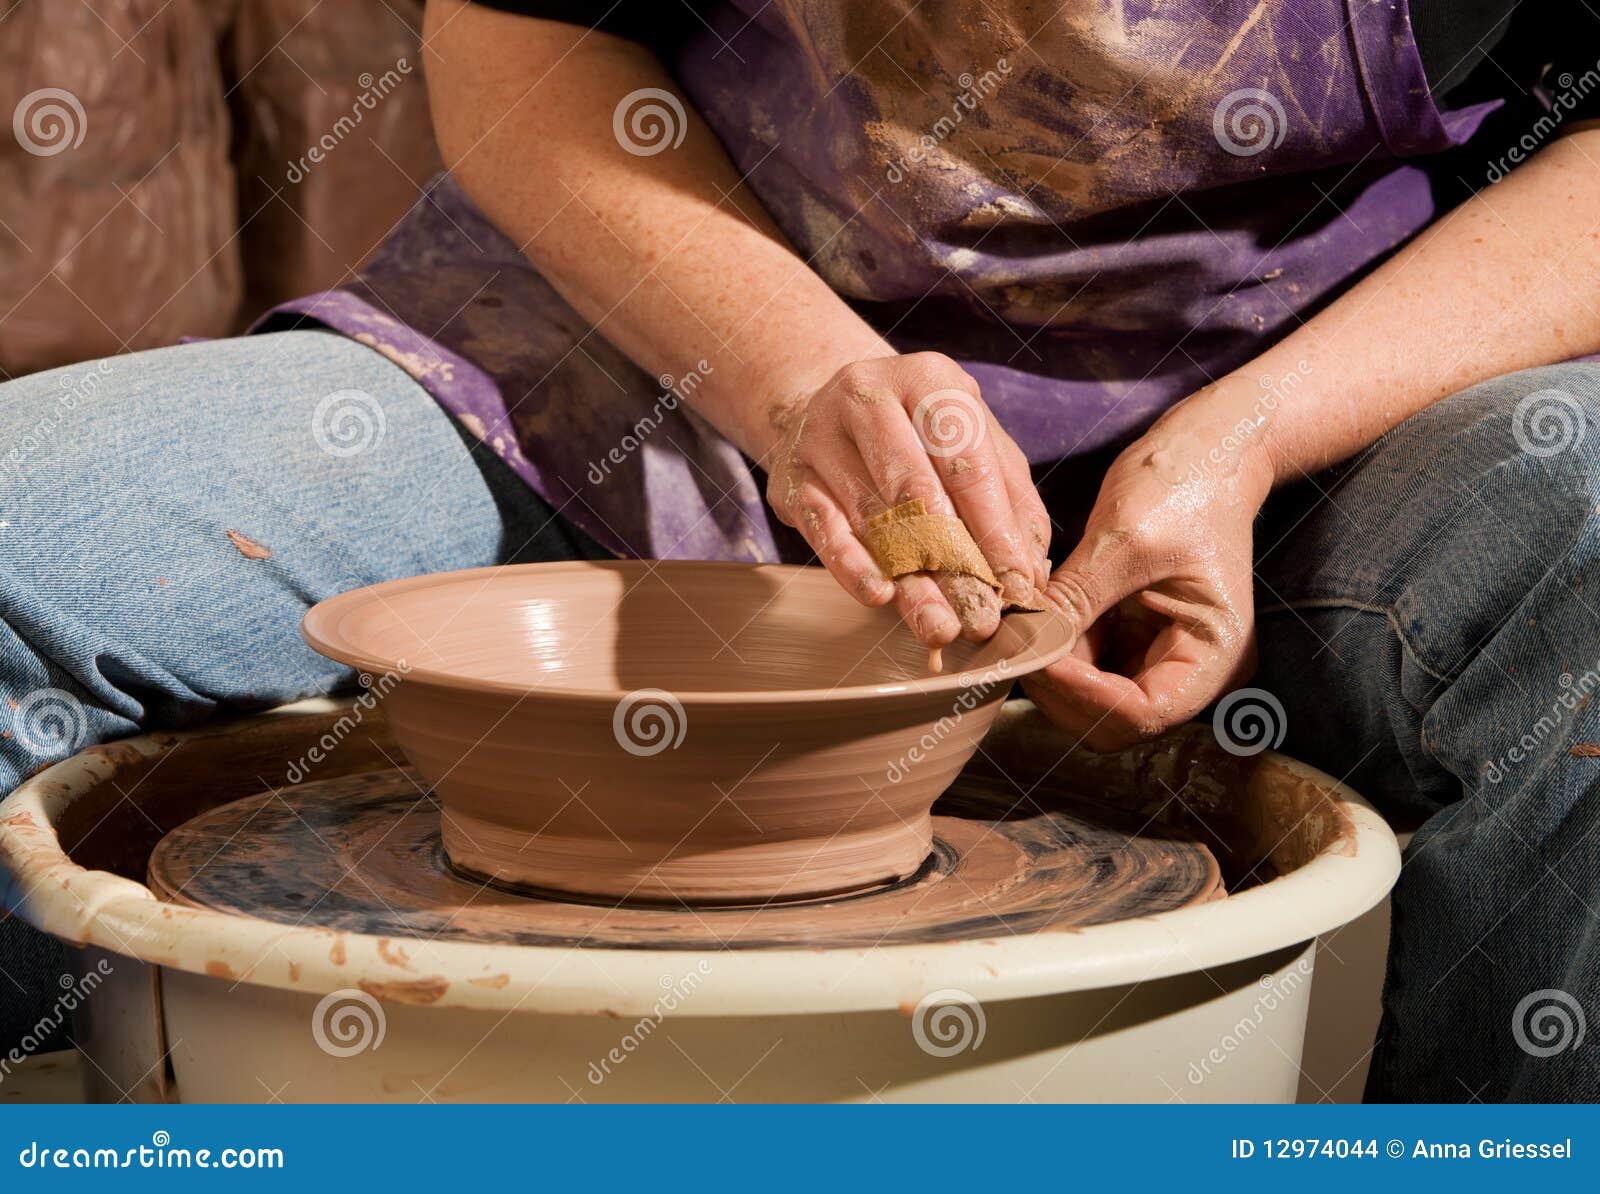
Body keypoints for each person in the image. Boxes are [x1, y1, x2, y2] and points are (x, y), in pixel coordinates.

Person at [1, 0, 1597, 1101]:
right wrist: (800, 377)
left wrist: (1243, 442)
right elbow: (516, 31)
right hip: (640, 354)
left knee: (1579, 524)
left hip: (1289, 429)